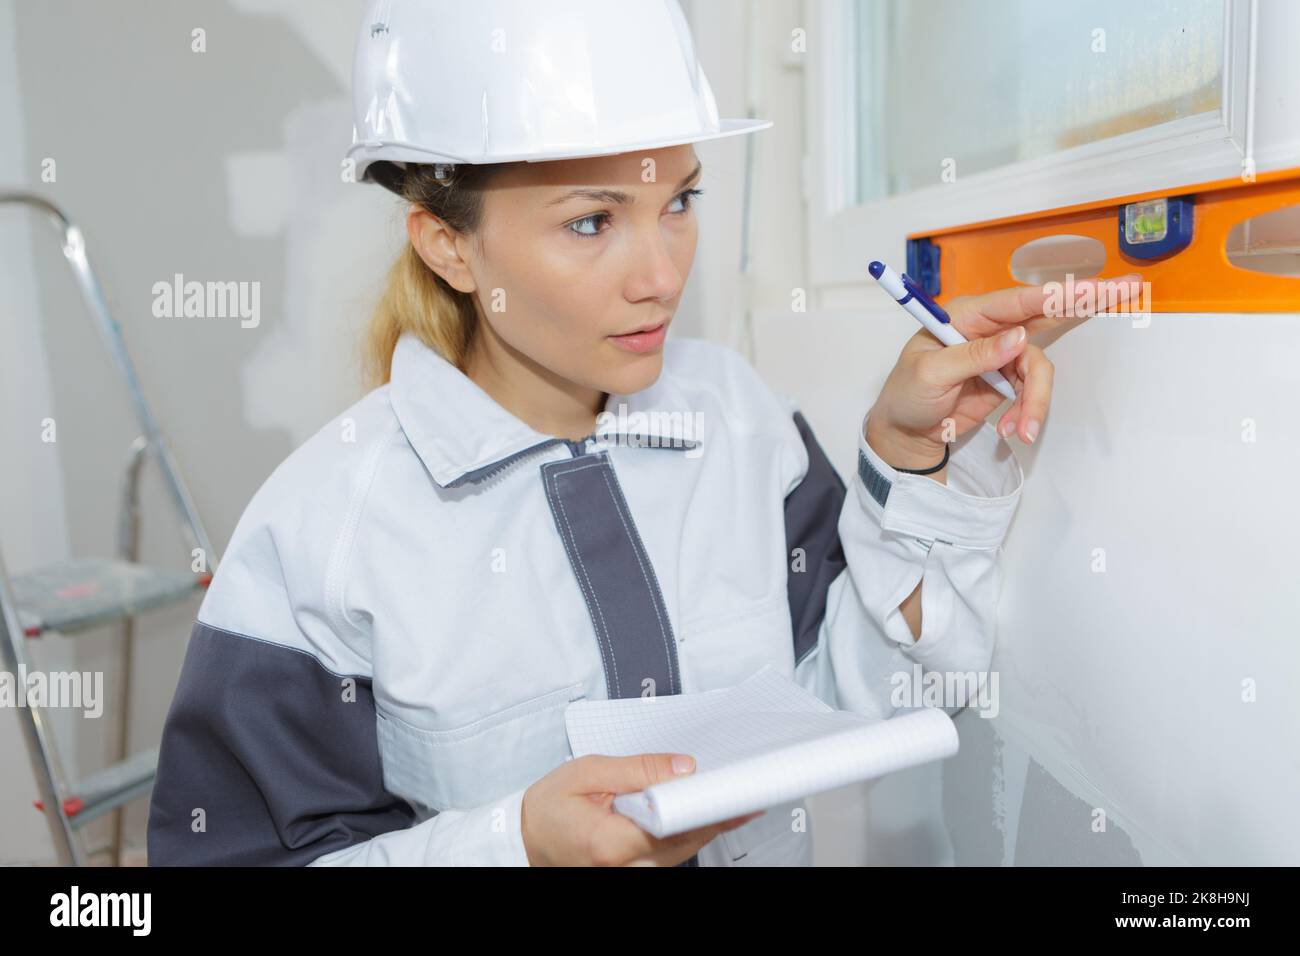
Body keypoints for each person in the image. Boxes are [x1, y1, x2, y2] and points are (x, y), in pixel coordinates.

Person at [146, 0, 1094, 867]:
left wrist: (906, 460)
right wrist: (512, 845)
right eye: (593, 220)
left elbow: (879, 698)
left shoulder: (735, 417)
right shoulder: (320, 533)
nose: (662, 276)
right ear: (448, 244)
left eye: (680, 201)